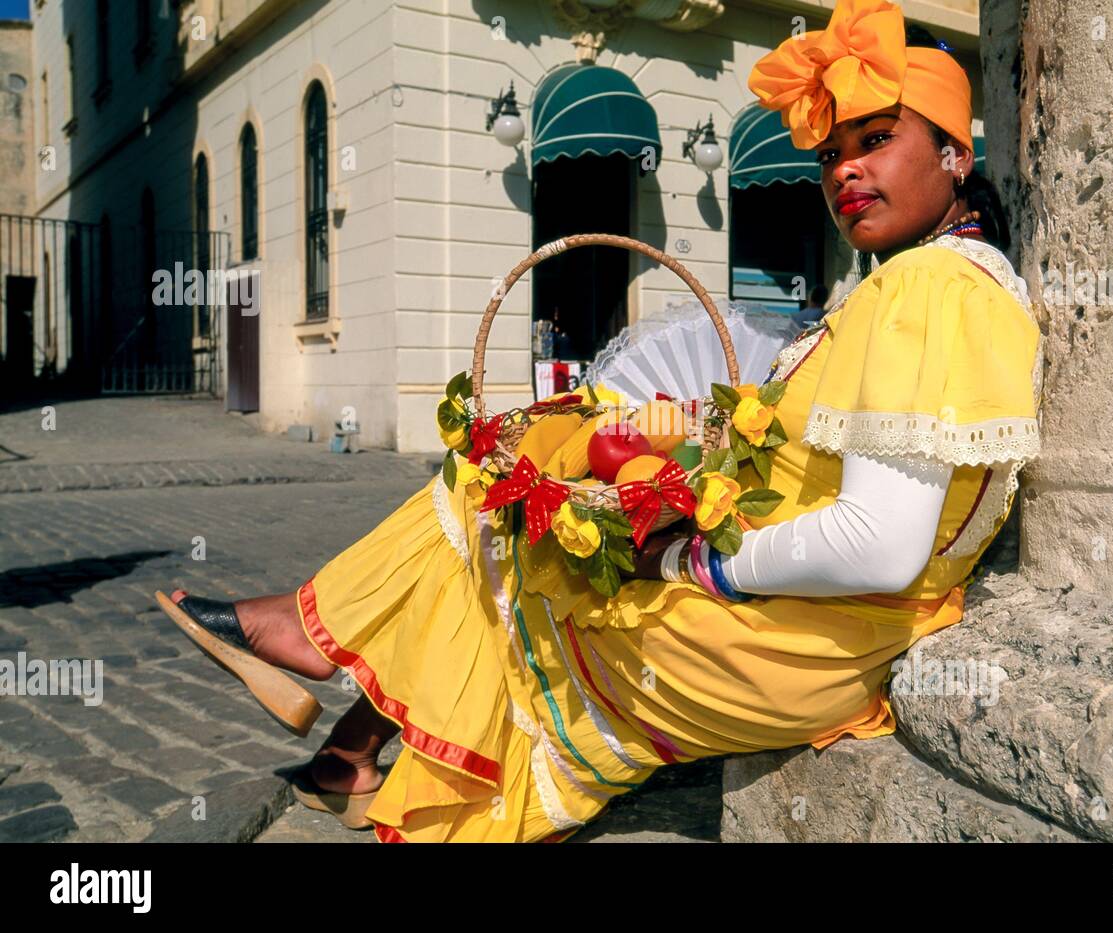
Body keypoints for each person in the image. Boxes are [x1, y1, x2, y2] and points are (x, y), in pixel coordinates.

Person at [159, 0, 1042, 842]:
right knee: (539, 475)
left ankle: (323, 653)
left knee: (520, 522)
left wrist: (691, 558)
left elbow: (879, 543)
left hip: (795, 637)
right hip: (816, 628)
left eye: (878, 141)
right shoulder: (917, 282)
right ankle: (345, 735)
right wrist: (655, 448)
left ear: (957, 153)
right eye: (832, 153)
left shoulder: (930, 290)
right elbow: (796, 453)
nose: (845, 171)